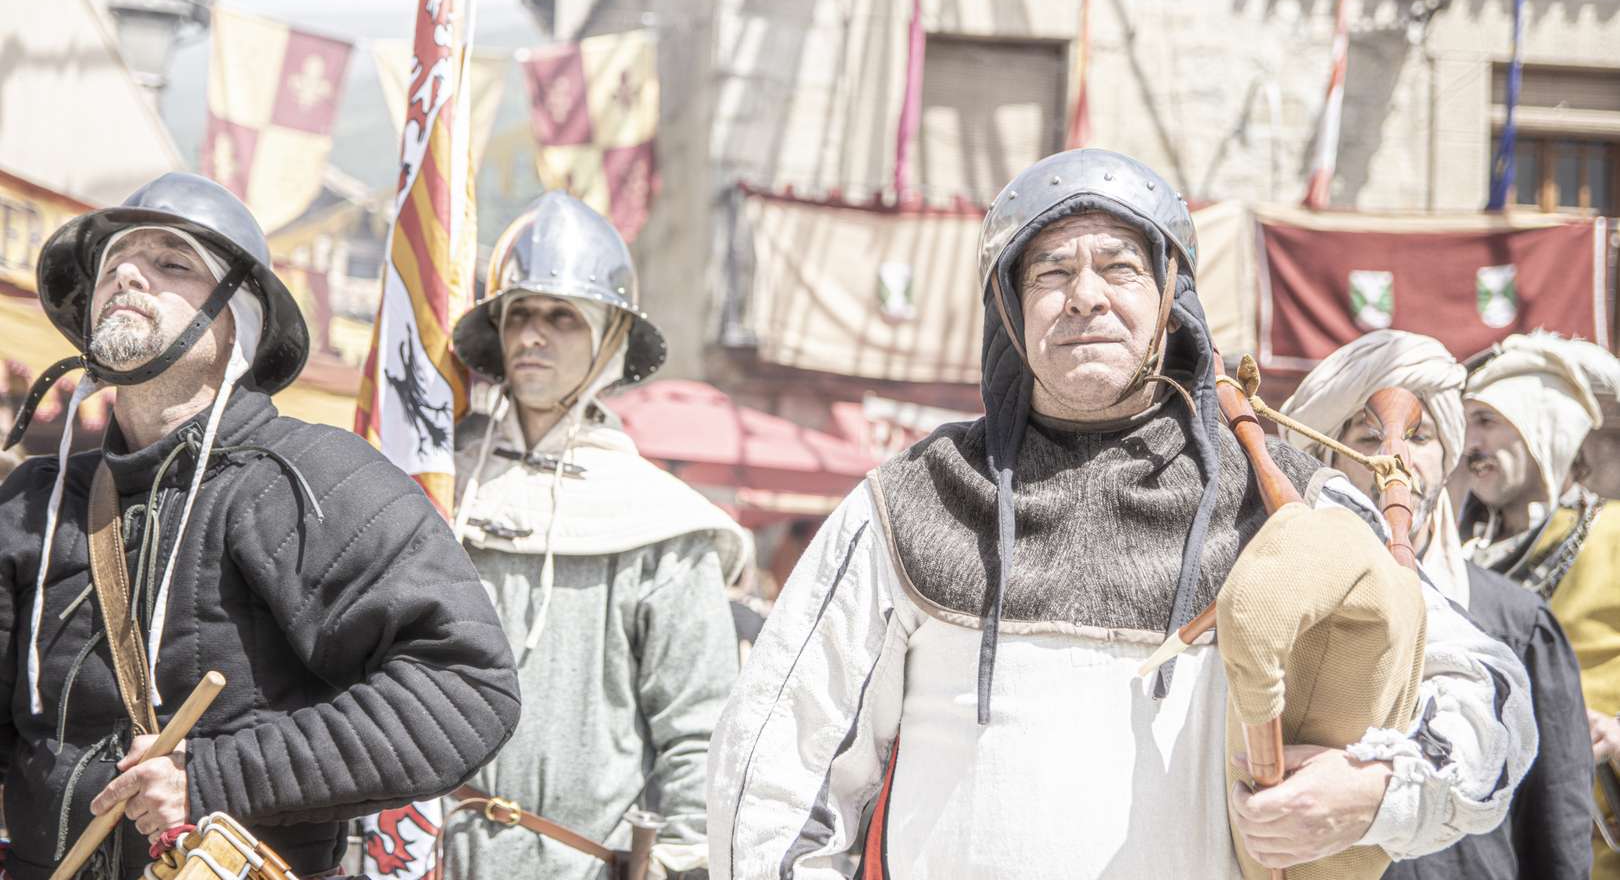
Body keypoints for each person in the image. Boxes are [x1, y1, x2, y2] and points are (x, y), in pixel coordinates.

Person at [708, 149, 1535, 880]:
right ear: (1010, 308)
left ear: (1171, 294)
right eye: (1050, 273)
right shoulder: (914, 500)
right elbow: (776, 766)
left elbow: (1487, 693)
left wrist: (1377, 792)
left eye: (1120, 267)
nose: (1085, 297)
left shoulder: (1286, 498)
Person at [0, 173, 520, 880]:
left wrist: (215, 776)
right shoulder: (33, 500)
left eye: (171, 263)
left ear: (235, 318)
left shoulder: (311, 479)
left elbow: (464, 687)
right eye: (113, 264)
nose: (126, 275)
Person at [438, 192, 748, 879]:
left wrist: (678, 861)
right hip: (430, 853)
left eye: (561, 317)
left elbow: (699, 728)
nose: (532, 336)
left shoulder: (660, 524)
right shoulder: (440, 489)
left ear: (609, 338)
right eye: (519, 314)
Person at [1278, 328, 1592, 878]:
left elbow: (1559, 818)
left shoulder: (1513, 620)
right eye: (1368, 438)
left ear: (1447, 455)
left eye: (1418, 438)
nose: (1394, 459)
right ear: (1333, 456)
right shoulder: (1287, 608)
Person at [1459, 331, 1620, 877]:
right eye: (1466, 422)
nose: (1469, 443)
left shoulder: (1615, 535)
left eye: (1487, 421)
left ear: (1544, 428)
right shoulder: (1455, 560)